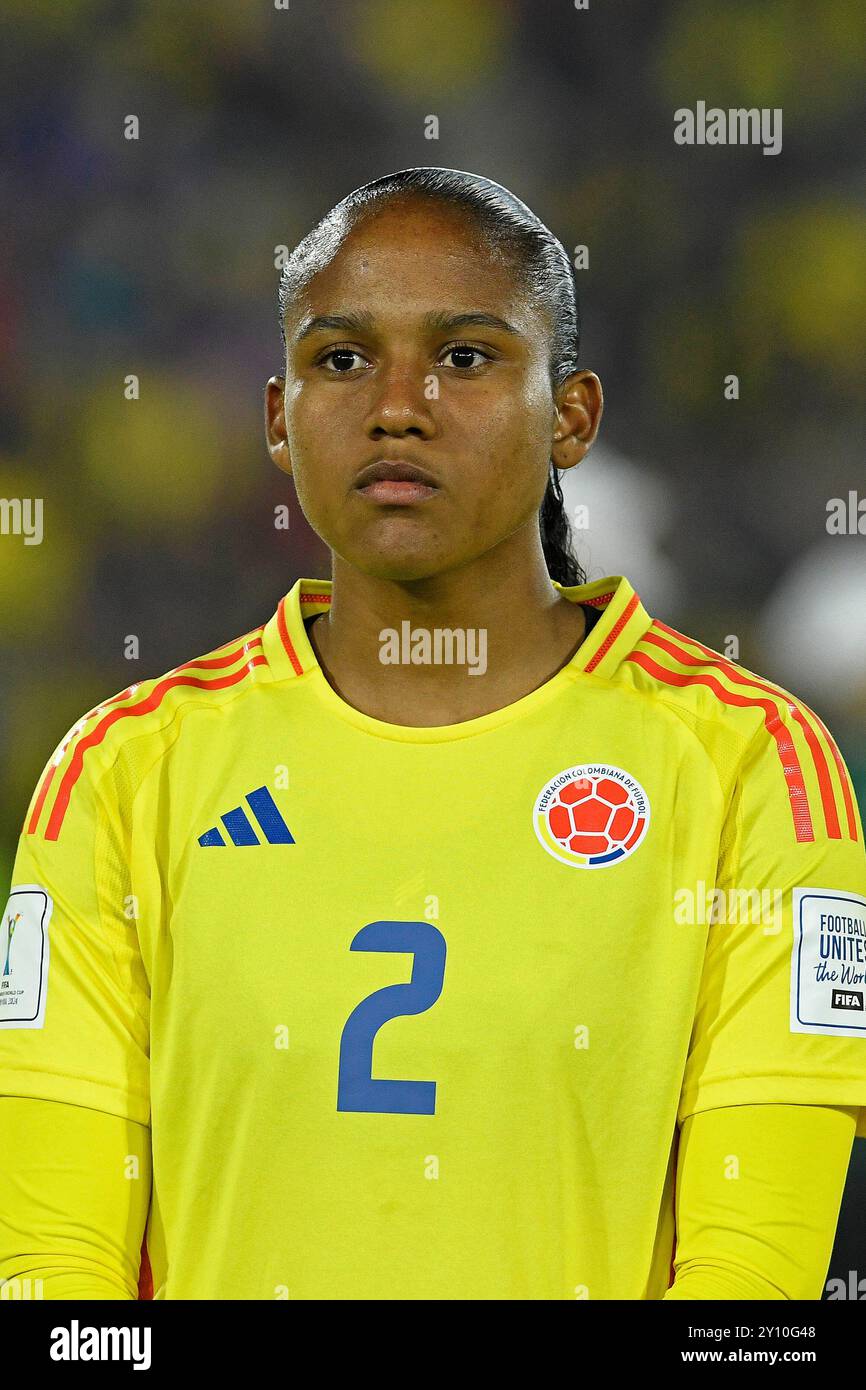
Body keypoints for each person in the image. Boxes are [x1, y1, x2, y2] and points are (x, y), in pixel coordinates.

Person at [1, 167, 864, 1301]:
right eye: (340, 358)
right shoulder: (120, 772)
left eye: (464, 356)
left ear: (569, 415)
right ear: (278, 418)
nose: (395, 404)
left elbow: (748, 1294)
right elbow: (53, 1275)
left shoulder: (755, 765)